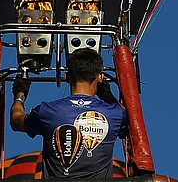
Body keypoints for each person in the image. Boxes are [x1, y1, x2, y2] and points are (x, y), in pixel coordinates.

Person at [10, 48, 128, 179]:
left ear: (66, 76)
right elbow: (131, 122)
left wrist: (19, 94)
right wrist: (107, 95)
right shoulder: (115, 114)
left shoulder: (47, 111)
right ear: (100, 77)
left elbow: (16, 120)